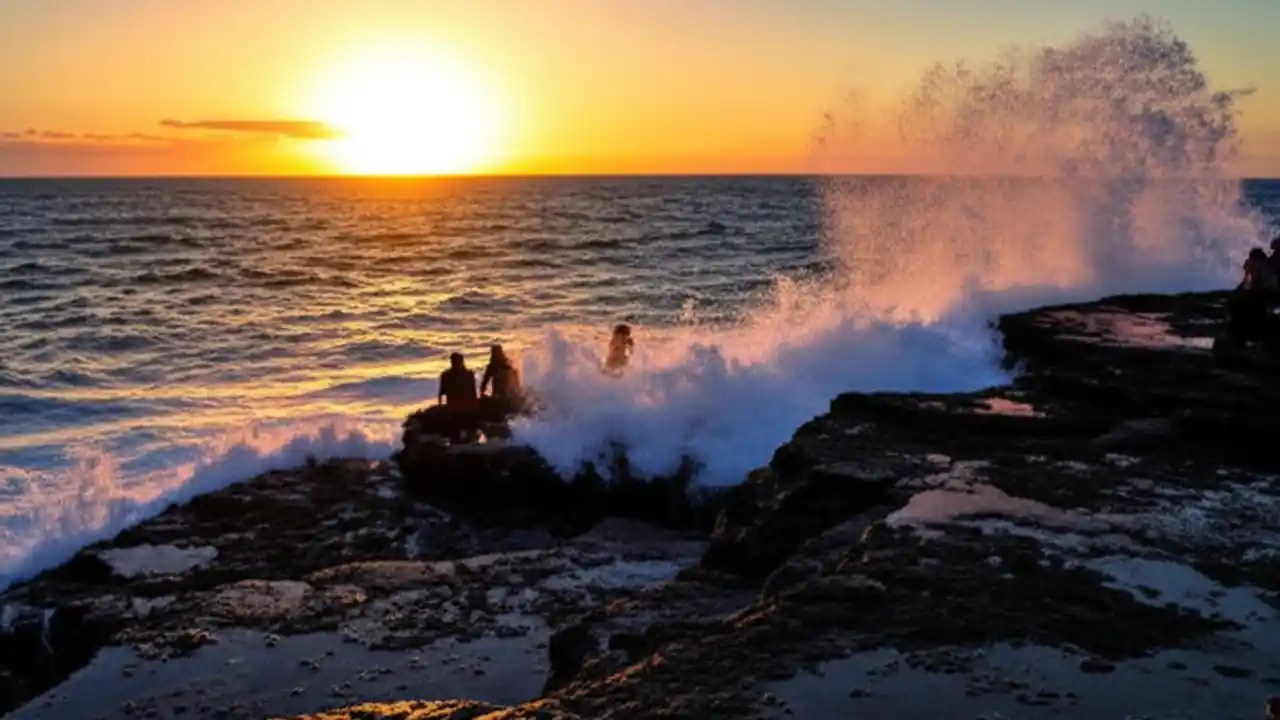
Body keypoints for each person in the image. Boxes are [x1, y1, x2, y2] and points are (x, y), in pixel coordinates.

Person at [437, 352, 478, 441]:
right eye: (454, 361)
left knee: (468, 433)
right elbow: (441, 393)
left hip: (466, 409)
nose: (455, 363)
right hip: (456, 409)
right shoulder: (447, 375)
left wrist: (475, 406)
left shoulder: (468, 374)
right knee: (455, 434)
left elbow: (473, 391)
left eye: (456, 361)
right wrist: (441, 407)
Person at [480, 344, 523, 416]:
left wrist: (482, 393)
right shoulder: (496, 366)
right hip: (504, 396)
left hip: (503, 397)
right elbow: (484, 384)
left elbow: (484, 383)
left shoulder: (502, 366)